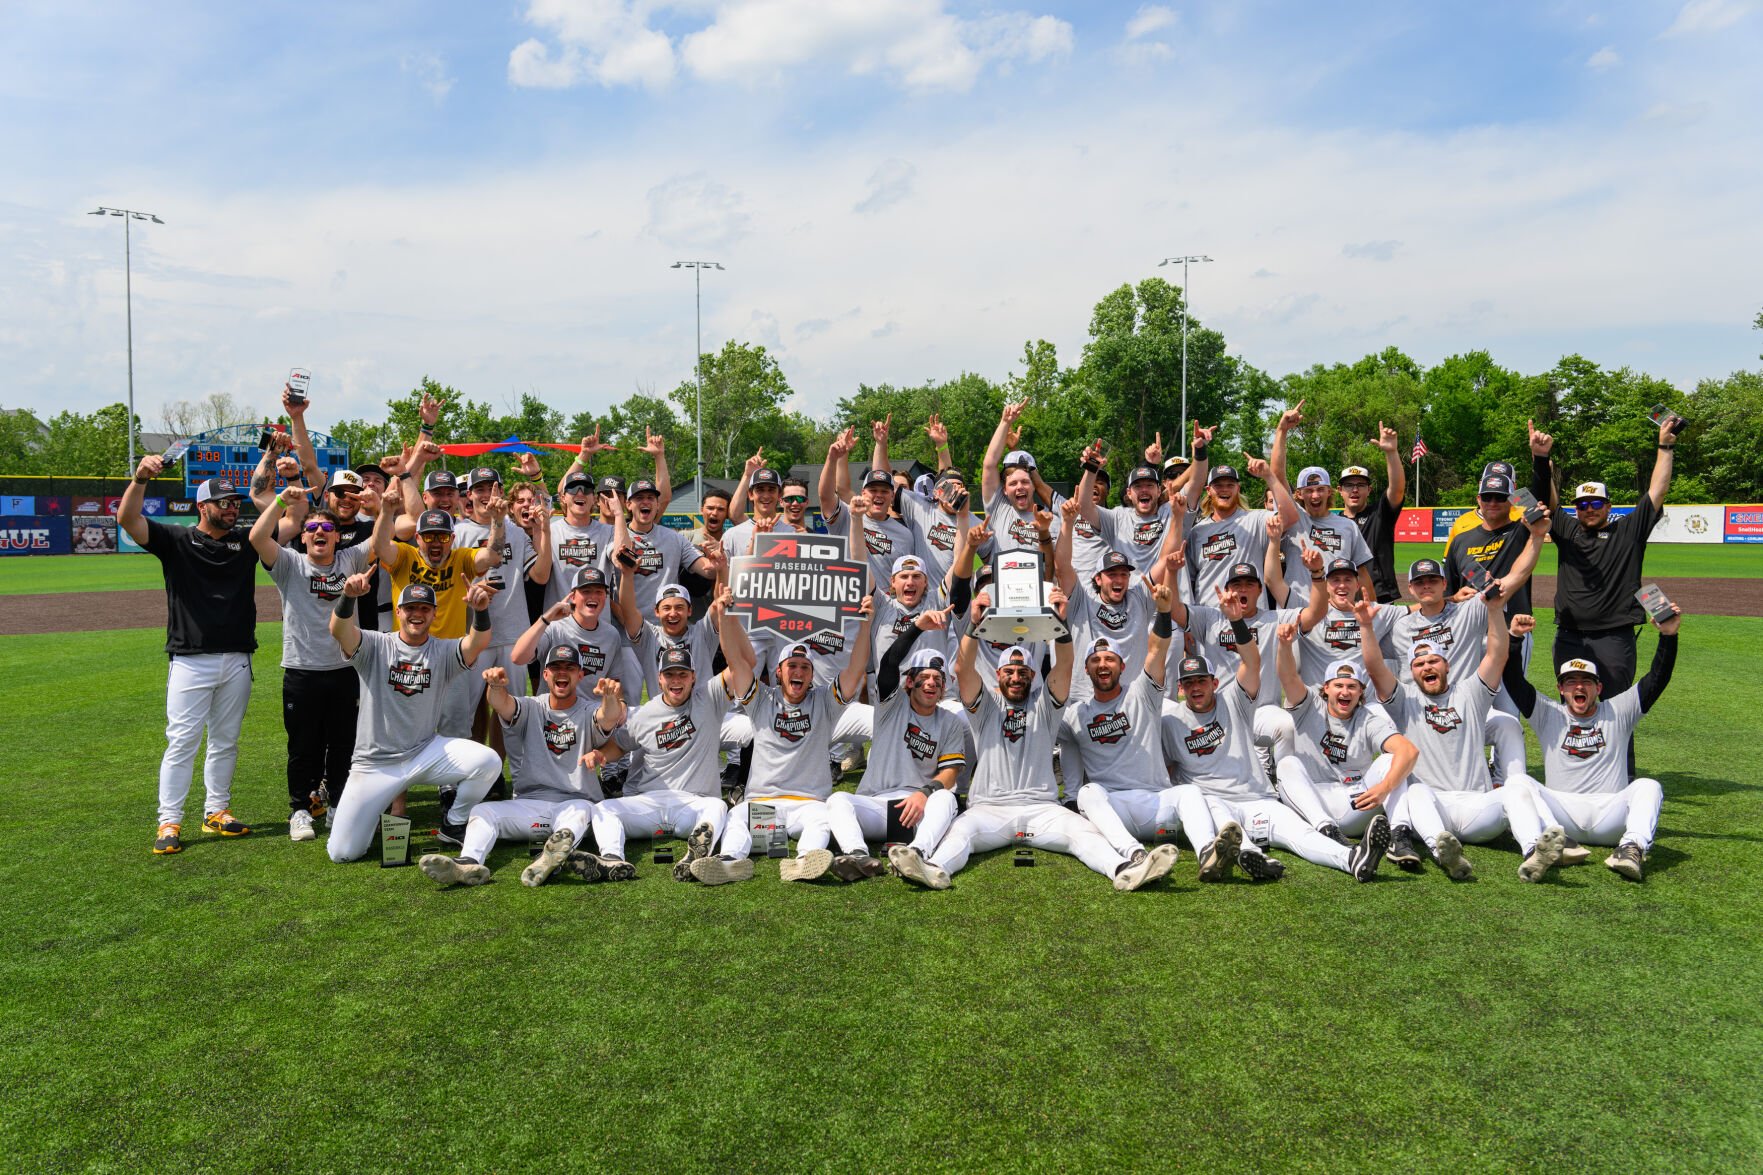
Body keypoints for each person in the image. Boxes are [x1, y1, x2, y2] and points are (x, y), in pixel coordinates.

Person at [890, 586, 1177, 892]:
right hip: (989, 807)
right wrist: (973, 624)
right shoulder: (985, 706)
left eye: (1023, 672)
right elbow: (961, 667)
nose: (1016, 677)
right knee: (960, 834)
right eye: (1009, 671)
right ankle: (932, 868)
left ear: (1033, 676)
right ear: (998, 675)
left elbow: (1065, 664)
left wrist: (1060, 623)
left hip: (1043, 807)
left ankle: (1125, 869)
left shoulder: (1045, 707)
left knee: (1084, 835)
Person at [1160, 607, 1390, 884]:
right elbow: (1168, 772)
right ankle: (1252, 854)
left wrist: (1235, 620)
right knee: (1221, 819)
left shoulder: (1234, 701)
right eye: (1188, 683)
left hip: (1258, 798)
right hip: (1214, 802)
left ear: (1215, 682)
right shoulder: (1171, 722)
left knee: (1300, 834)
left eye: (1201, 681)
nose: (1196, 687)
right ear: (1181, 689)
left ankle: (1351, 859)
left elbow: (1252, 661)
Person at [120, 455, 276, 855]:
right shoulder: (175, 540)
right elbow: (128, 519)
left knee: (226, 741)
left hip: (238, 658)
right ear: (201, 506)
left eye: (234, 502)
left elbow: (287, 522)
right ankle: (169, 821)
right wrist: (140, 479)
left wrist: (272, 462)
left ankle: (216, 811)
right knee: (182, 742)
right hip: (190, 659)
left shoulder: (247, 542)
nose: (230, 507)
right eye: (222, 502)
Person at [691, 595, 874, 885]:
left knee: (821, 819)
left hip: (808, 803)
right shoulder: (761, 699)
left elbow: (855, 669)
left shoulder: (825, 702)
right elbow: (735, 661)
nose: (798, 672)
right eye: (792, 666)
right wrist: (726, 616)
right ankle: (729, 861)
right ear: (778, 671)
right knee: (737, 817)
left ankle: (804, 861)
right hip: (766, 805)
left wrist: (865, 625)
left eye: (805, 667)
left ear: (813, 674)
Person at [1533, 415, 1679, 774]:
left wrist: (1665, 445)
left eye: (1596, 504)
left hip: (1614, 638)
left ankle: (1621, 778)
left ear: (1609, 506)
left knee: (1615, 710)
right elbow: (1545, 502)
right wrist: (1540, 461)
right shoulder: (1566, 531)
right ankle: (1575, 775)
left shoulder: (1628, 532)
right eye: (1582, 504)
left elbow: (1657, 491)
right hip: (1568, 637)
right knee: (1572, 708)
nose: (1589, 509)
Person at [1365, 581, 1539, 880]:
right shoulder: (1404, 698)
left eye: (1433, 661)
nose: (1426, 667)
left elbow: (1497, 655)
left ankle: (1534, 852)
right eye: (1419, 663)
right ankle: (1445, 854)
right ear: (1411, 671)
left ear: (1447, 666)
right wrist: (1367, 627)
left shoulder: (1471, 692)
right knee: (1416, 790)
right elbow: (1374, 667)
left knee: (1518, 785)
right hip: (1435, 806)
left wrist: (1495, 610)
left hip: (1478, 805)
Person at [417, 650, 629, 887]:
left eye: (569, 668)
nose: (562, 673)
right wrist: (495, 686)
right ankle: (469, 863)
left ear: (580, 675)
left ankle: (553, 856)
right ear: (545, 674)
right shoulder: (531, 706)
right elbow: (502, 704)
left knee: (580, 811)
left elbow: (608, 716)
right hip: (529, 803)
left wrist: (610, 697)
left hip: (573, 801)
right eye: (556, 667)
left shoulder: (589, 709)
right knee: (483, 812)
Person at [325, 578, 502, 861]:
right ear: (398, 612)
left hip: (424, 752)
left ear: (434, 613)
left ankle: (454, 822)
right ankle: (367, 821)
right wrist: (347, 596)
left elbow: (478, 641)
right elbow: (338, 629)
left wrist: (480, 610)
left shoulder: (442, 651)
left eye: (423, 608)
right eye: (410, 608)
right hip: (375, 763)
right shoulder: (376, 644)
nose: (416, 614)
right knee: (343, 853)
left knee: (488, 761)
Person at [1500, 607, 1679, 881]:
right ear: (1561, 689)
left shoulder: (1620, 710)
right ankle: (1541, 848)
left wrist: (1668, 635)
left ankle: (1631, 848)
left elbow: (1657, 678)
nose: (1579, 687)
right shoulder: (1547, 712)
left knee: (1648, 786)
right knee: (1516, 783)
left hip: (1609, 815)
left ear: (1599, 688)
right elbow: (1512, 679)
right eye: (1571, 682)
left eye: (1587, 682)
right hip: (1561, 821)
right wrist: (1514, 638)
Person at [250, 480, 375, 842]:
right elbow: (258, 539)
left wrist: (385, 506)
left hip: (345, 669)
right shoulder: (290, 563)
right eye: (312, 528)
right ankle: (300, 810)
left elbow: (382, 540)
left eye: (327, 528)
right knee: (303, 746)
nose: (319, 532)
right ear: (303, 537)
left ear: (337, 537)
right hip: (302, 671)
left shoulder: (350, 558)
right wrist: (279, 502)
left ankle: (337, 804)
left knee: (342, 744)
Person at [594, 640, 746, 883]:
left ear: (693, 677)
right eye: (670, 674)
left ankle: (693, 858)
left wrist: (724, 618)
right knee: (603, 808)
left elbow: (740, 665)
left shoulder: (710, 699)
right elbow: (620, 745)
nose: (676, 680)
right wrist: (601, 755)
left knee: (717, 807)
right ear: (660, 678)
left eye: (682, 674)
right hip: (652, 802)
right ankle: (613, 859)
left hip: (694, 805)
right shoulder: (646, 714)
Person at [1061, 581, 1188, 866]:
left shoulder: (1142, 693)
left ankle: (1210, 851)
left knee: (1190, 793)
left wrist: (1165, 612)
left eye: (1109, 659)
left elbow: (1157, 650)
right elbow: (1045, 727)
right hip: (1113, 809)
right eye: (1095, 660)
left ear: (1122, 666)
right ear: (1086, 669)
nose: (1103, 665)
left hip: (1156, 805)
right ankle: (1135, 853)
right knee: (1087, 792)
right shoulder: (1076, 714)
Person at [832, 621, 968, 882]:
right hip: (878, 803)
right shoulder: (891, 705)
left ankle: (916, 854)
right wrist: (917, 627)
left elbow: (950, 772)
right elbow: (891, 660)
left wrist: (924, 793)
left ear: (943, 688)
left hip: (917, 808)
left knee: (946, 799)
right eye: (924, 677)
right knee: (838, 800)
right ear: (910, 681)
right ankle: (858, 856)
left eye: (937, 680)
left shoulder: (949, 721)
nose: (930, 683)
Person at [1270, 614, 1419, 847]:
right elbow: (1288, 677)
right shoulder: (1309, 704)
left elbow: (1409, 751)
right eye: (1338, 685)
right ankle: (1326, 829)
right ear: (1326, 688)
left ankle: (1400, 835)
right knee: (1287, 764)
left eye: (1352, 686)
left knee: (1391, 760)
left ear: (1361, 691)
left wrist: (1385, 787)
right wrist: (1285, 645)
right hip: (1314, 801)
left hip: (1357, 803)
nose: (1345, 692)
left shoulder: (1367, 719)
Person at [1337, 422, 1407, 605]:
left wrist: (1391, 452)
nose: (1354, 490)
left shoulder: (1380, 514)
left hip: (1381, 598)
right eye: (1349, 485)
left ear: (1369, 490)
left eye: (1360, 485)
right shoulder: (1333, 523)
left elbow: (1397, 489)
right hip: (1345, 599)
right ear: (1339, 490)